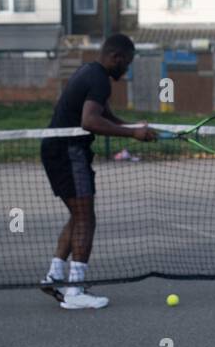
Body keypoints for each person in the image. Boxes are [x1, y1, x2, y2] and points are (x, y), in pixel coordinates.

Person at [39, 33, 157, 309]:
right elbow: (90, 121)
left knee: (78, 216)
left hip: (59, 151)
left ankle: (55, 276)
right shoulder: (100, 79)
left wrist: (133, 128)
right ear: (115, 58)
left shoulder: (89, 72)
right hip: (68, 152)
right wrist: (133, 135)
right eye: (126, 64)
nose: (126, 70)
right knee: (86, 219)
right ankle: (74, 291)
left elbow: (105, 116)